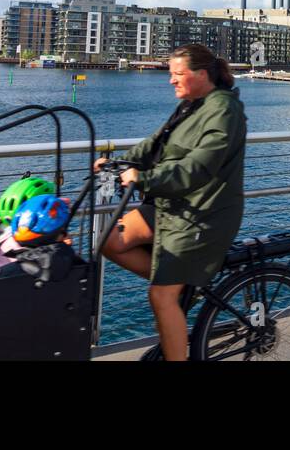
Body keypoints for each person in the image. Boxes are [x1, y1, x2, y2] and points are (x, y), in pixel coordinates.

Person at [96, 43, 247, 361]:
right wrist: (118, 163)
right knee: (109, 240)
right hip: (171, 205)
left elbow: (200, 167)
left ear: (201, 74)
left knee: (160, 296)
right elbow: (154, 144)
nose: (171, 80)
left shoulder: (223, 109)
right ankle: (180, 284)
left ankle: (174, 302)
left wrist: (143, 179)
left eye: (178, 74)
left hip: (203, 214)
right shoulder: (190, 104)